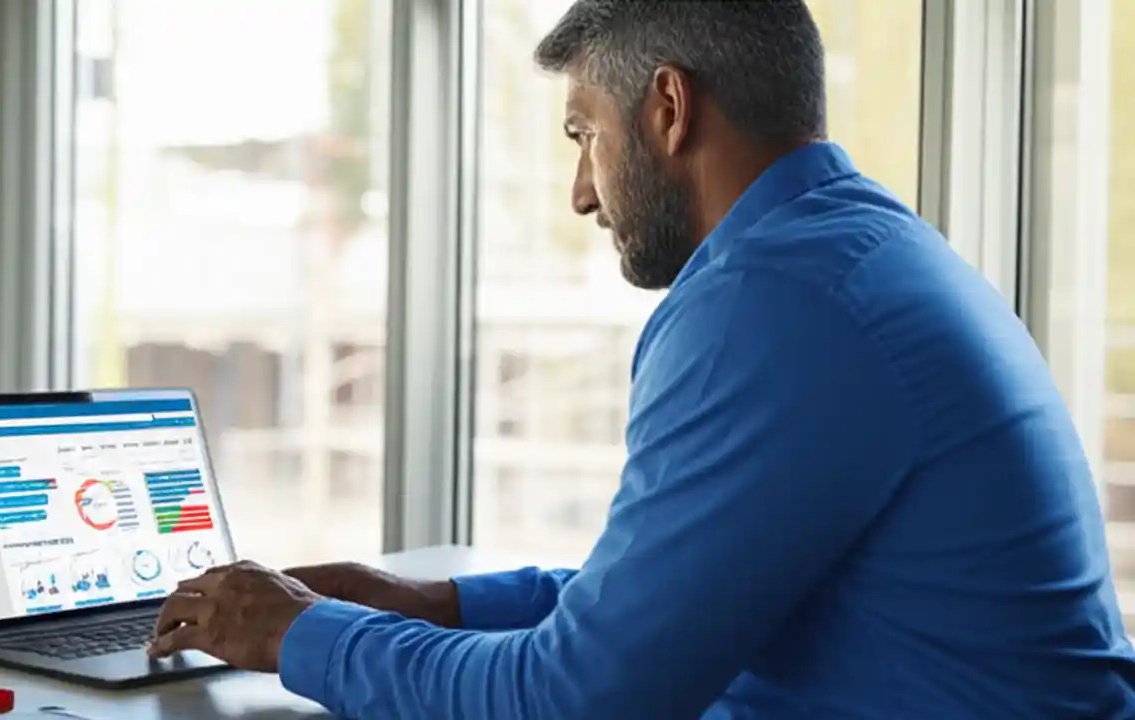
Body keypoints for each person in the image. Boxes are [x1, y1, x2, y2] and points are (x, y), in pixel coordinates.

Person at [149, 1, 1135, 717]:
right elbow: (670, 605)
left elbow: (574, 700)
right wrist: (430, 602)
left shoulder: (772, 300)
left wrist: (294, 636)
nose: (580, 193)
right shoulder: (856, 255)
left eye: (584, 134)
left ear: (666, 107)